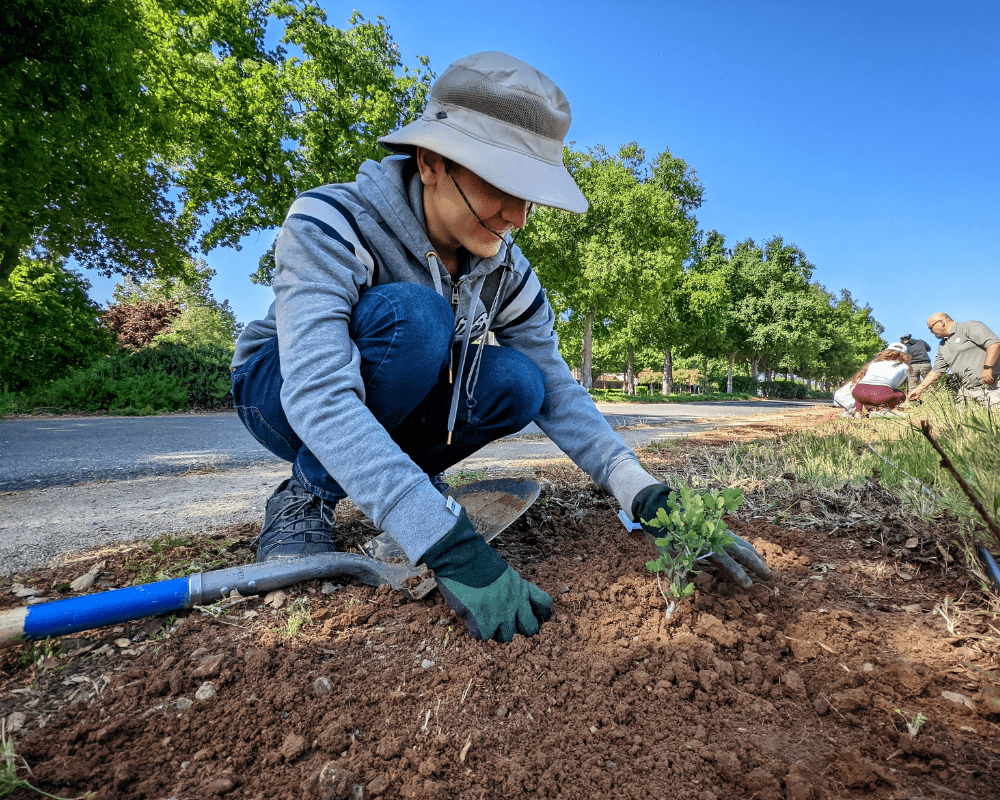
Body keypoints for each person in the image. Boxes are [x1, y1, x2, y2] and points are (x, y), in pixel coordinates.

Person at [229, 51, 770, 643]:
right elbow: (317, 392)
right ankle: (306, 494)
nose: (519, 216)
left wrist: (642, 491)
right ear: (432, 161)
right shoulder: (330, 221)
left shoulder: (504, 269)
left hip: (366, 400)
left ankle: (404, 482)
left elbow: (558, 389)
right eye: (502, 187)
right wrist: (446, 544)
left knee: (519, 381)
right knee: (417, 317)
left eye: (531, 194)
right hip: (280, 392)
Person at [908, 314, 1000, 407]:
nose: (931, 332)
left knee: (995, 419)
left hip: (992, 387)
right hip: (967, 391)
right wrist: (918, 390)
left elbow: (994, 343)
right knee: (962, 420)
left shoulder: (968, 327)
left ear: (941, 322)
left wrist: (988, 367)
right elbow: (936, 371)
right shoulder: (942, 346)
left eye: (931, 328)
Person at [849, 343, 911, 417]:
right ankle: (884, 411)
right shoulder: (904, 367)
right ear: (905, 355)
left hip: (859, 393)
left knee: (861, 390)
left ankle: (858, 412)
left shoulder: (874, 362)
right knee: (901, 395)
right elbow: (895, 386)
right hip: (880, 396)